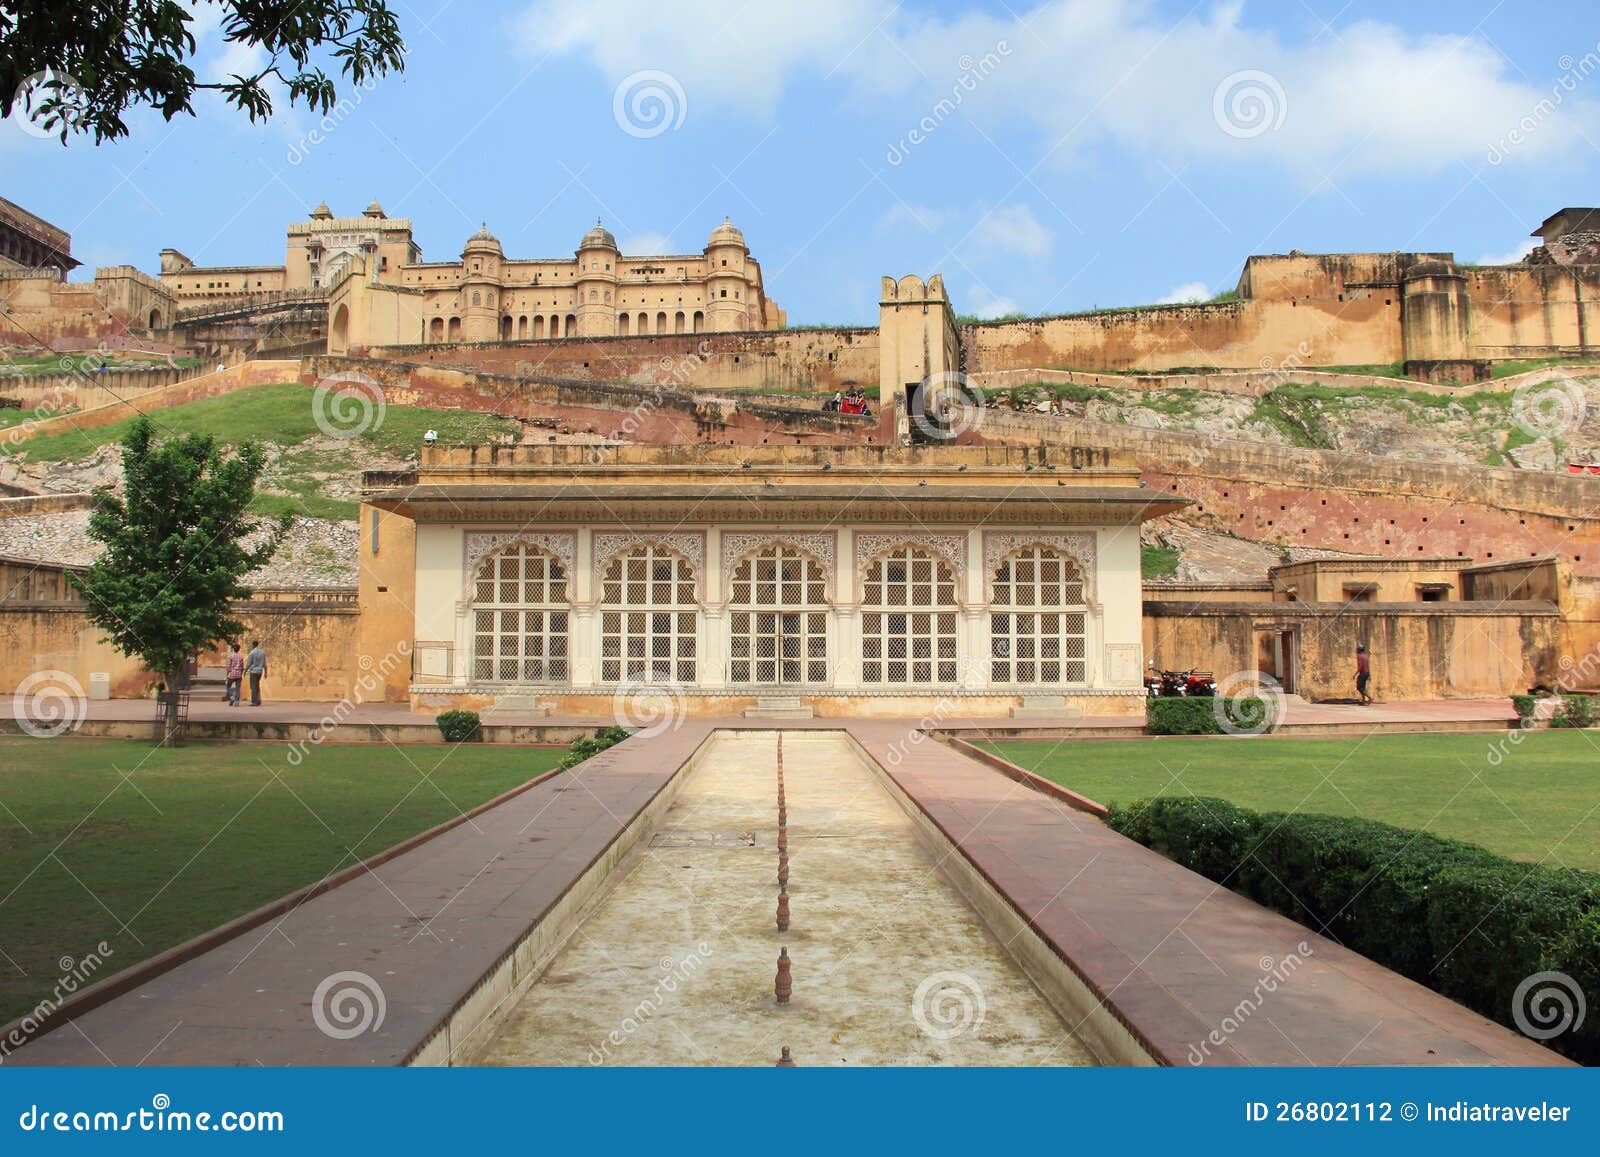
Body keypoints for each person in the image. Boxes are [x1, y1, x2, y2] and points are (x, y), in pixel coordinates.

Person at [246, 639, 268, 707]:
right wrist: (266, 673)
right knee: (257, 686)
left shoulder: (252, 653)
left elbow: (248, 664)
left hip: (253, 671)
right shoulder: (262, 653)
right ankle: (258, 700)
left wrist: (245, 670)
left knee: (253, 687)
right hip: (260, 671)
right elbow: (264, 664)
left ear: (253, 645)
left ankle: (254, 701)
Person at [224, 643, 244, 707]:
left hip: (232, 674)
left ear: (233, 649)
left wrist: (227, 675)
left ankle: (231, 696)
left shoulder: (230, 656)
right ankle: (237, 702)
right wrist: (241, 673)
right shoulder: (241, 657)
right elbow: (242, 666)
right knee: (238, 688)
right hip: (239, 674)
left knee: (228, 686)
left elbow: (228, 667)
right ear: (239, 649)